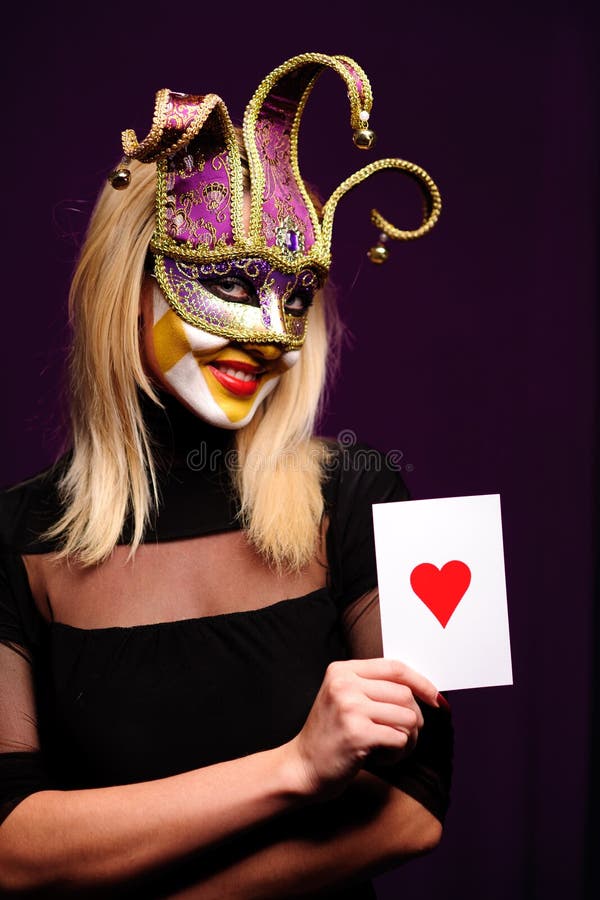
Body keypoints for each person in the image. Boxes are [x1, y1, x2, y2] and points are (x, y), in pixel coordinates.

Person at [0, 53, 451, 898]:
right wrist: (294, 767)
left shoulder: (364, 494)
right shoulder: (14, 542)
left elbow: (415, 804)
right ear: (127, 287)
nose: (271, 334)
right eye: (229, 285)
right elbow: (7, 846)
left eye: (295, 299)